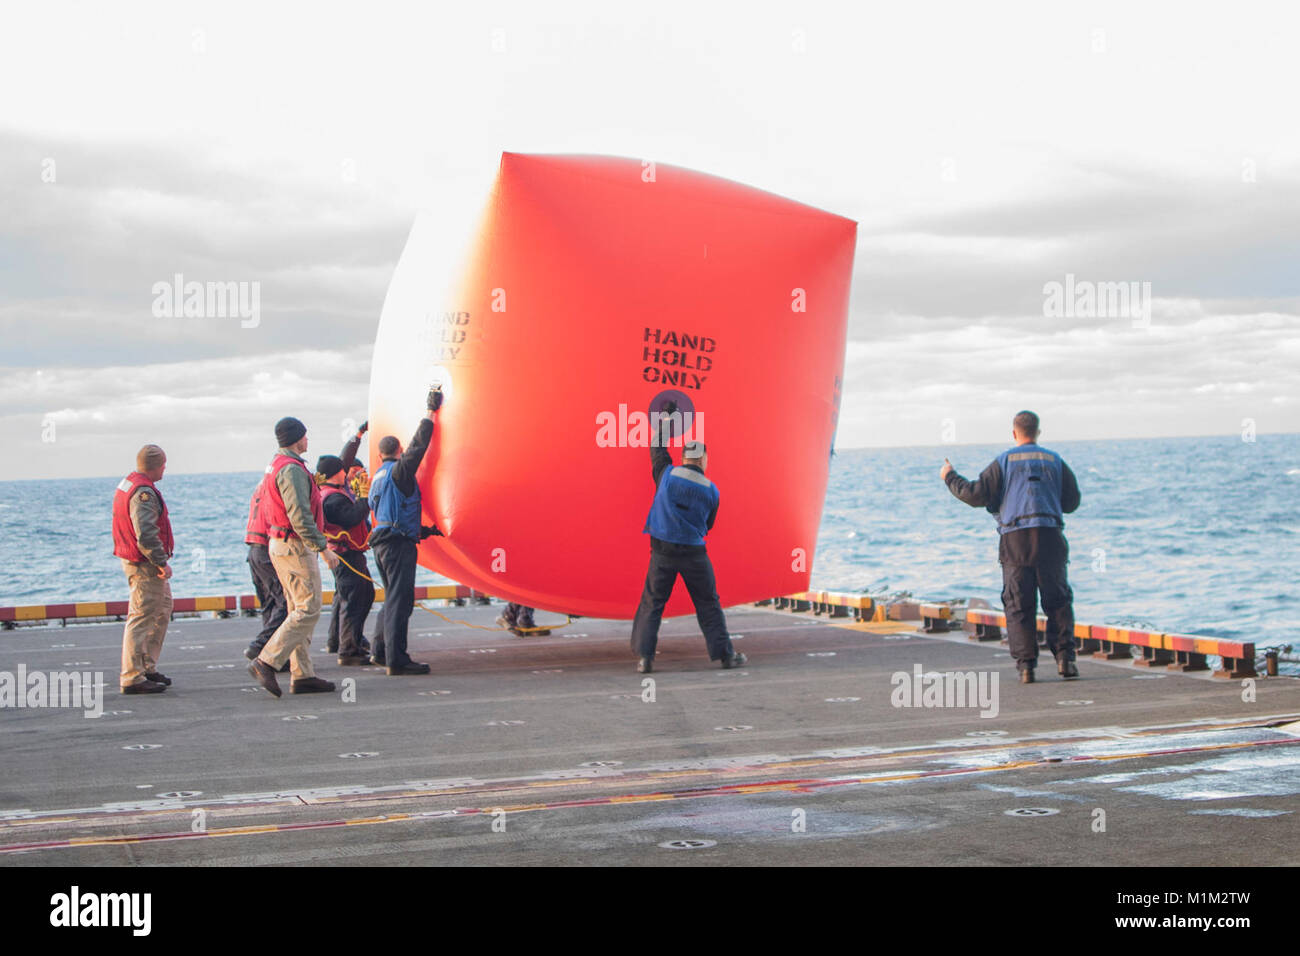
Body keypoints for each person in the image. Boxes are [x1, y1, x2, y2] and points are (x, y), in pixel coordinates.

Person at [941, 410, 1082, 683]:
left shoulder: (1004, 461)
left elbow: (974, 494)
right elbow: (1072, 502)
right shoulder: (1055, 460)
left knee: (1018, 603)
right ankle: (1066, 661)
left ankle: (1026, 667)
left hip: (1015, 541)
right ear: (1038, 432)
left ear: (1014, 433)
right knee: (1058, 600)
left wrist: (949, 476)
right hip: (1051, 538)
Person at [629, 405, 745, 673]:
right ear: (703, 459)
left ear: (683, 457)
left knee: (653, 602)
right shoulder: (711, 491)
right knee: (708, 604)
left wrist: (668, 419)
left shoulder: (666, 476)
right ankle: (726, 656)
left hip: (662, 550)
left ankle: (645, 659)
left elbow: (657, 447)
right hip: (694, 553)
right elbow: (709, 525)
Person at [247, 417, 339, 697]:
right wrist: (323, 548)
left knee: (296, 608)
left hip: (278, 543)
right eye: (305, 435)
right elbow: (300, 515)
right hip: (294, 546)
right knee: (308, 608)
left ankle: (302, 674)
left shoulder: (277, 464)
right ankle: (268, 661)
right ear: (297, 438)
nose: (308, 440)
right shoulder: (292, 469)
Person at [368, 388, 443, 675]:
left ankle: (380, 651)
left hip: (382, 542)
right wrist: (431, 412)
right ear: (398, 452)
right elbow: (419, 447)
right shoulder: (400, 471)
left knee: (391, 598)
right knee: (401, 602)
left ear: (379, 454)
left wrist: (424, 532)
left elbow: (390, 512)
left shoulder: (378, 478)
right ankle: (396, 660)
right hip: (397, 545)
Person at [111, 444, 175, 694]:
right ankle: (132, 676)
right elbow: (146, 534)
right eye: (164, 464)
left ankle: (146, 665)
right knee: (141, 616)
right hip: (144, 564)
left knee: (162, 608)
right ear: (157, 465)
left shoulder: (129, 483)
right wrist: (161, 562)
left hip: (135, 560)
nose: (165, 469)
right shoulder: (144, 492)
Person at [317, 452, 375, 665]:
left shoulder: (330, 493)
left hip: (348, 552)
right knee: (353, 600)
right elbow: (352, 518)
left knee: (363, 595)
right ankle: (349, 650)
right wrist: (363, 499)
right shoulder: (333, 498)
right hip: (346, 554)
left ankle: (347, 641)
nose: (346, 474)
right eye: (342, 470)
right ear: (335, 474)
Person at [243, 479, 289, 671]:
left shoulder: (261, 486)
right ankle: (261, 645)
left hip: (254, 547)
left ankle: (271, 655)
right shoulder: (277, 487)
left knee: (270, 603)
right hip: (266, 548)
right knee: (286, 601)